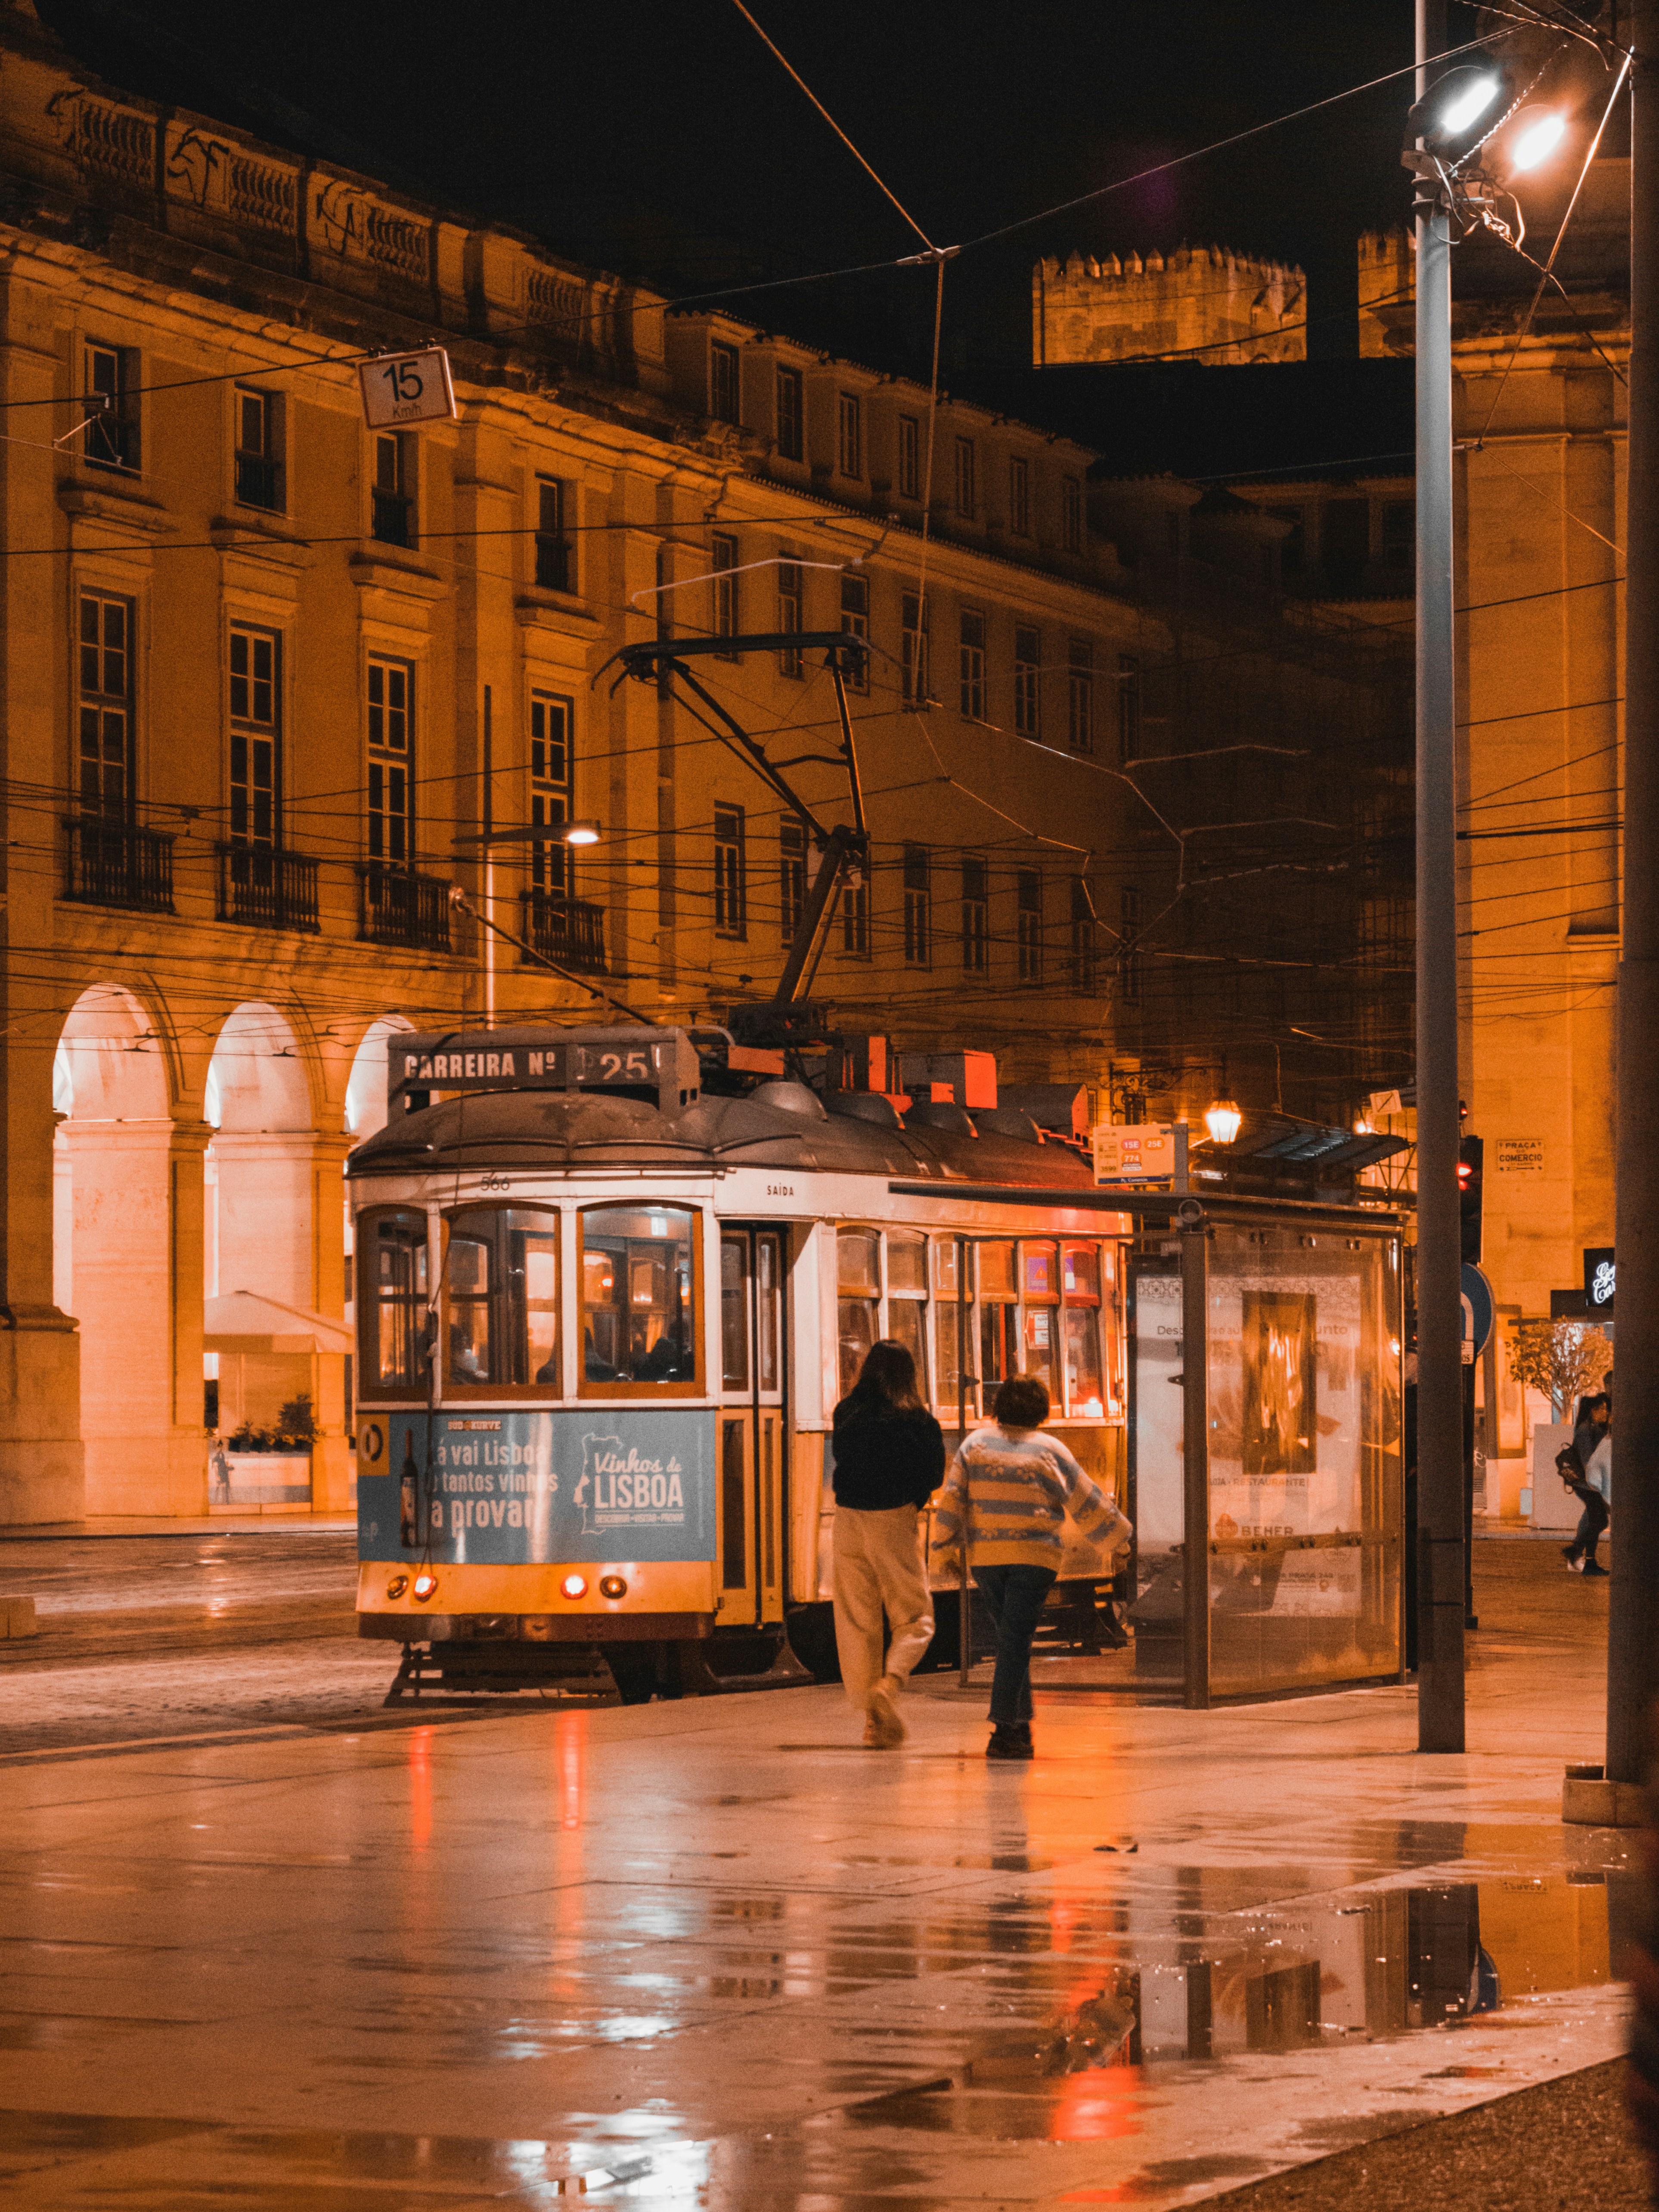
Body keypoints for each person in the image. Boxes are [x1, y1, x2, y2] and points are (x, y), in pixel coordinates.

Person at [933, 1372, 1130, 1762]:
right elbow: (1086, 1500)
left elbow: (953, 1497)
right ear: (1040, 1409)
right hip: (1034, 1559)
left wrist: (943, 1546)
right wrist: (1119, 1541)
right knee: (1015, 1641)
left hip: (987, 1560)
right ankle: (1004, 1729)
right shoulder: (1049, 1449)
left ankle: (1018, 1729)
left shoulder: (974, 1444)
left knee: (1010, 1640)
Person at [830, 1339, 944, 1748]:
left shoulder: (846, 1412)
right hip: (893, 1517)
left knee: (857, 1619)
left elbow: (842, 1458)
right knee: (914, 1615)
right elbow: (932, 1474)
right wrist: (911, 1498)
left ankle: (871, 1722)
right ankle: (890, 1683)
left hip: (847, 1520)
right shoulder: (917, 1420)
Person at [1560, 1393, 1611, 1576]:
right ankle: (1581, 1557)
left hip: (1592, 1484)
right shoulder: (1585, 1430)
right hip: (1587, 1484)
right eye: (1603, 1409)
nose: (1606, 1412)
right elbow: (1588, 1459)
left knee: (1595, 1520)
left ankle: (1580, 1555)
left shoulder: (1597, 1429)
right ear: (1594, 1410)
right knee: (1599, 1520)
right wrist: (1595, 1483)